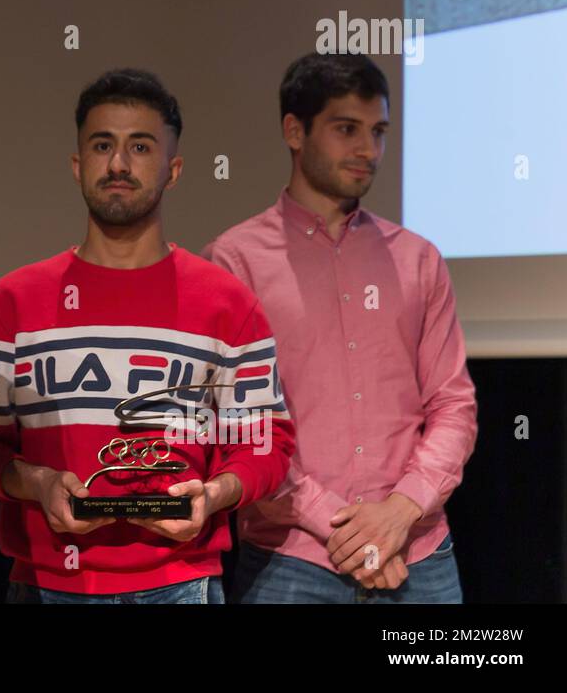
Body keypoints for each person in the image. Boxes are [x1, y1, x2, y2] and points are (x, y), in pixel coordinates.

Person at [0, 69, 295, 603]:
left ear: (173, 170)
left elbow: (265, 444)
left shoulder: (228, 304)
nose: (118, 164)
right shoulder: (13, 303)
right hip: (45, 583)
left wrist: (215, 494)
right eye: (102, 145)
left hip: (182, 582)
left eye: (140, 147)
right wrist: (36, 483)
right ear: (77, 164)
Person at [203, 51, 477, 603]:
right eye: (346, 129)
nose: (367, 151)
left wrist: (398, 515)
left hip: (417, 551)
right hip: (292, 562)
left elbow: (453, 406)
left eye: (378, 131)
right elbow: (238, 423)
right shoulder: (235, 263)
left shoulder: (419, 260)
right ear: (294, 131)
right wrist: (352, 531)